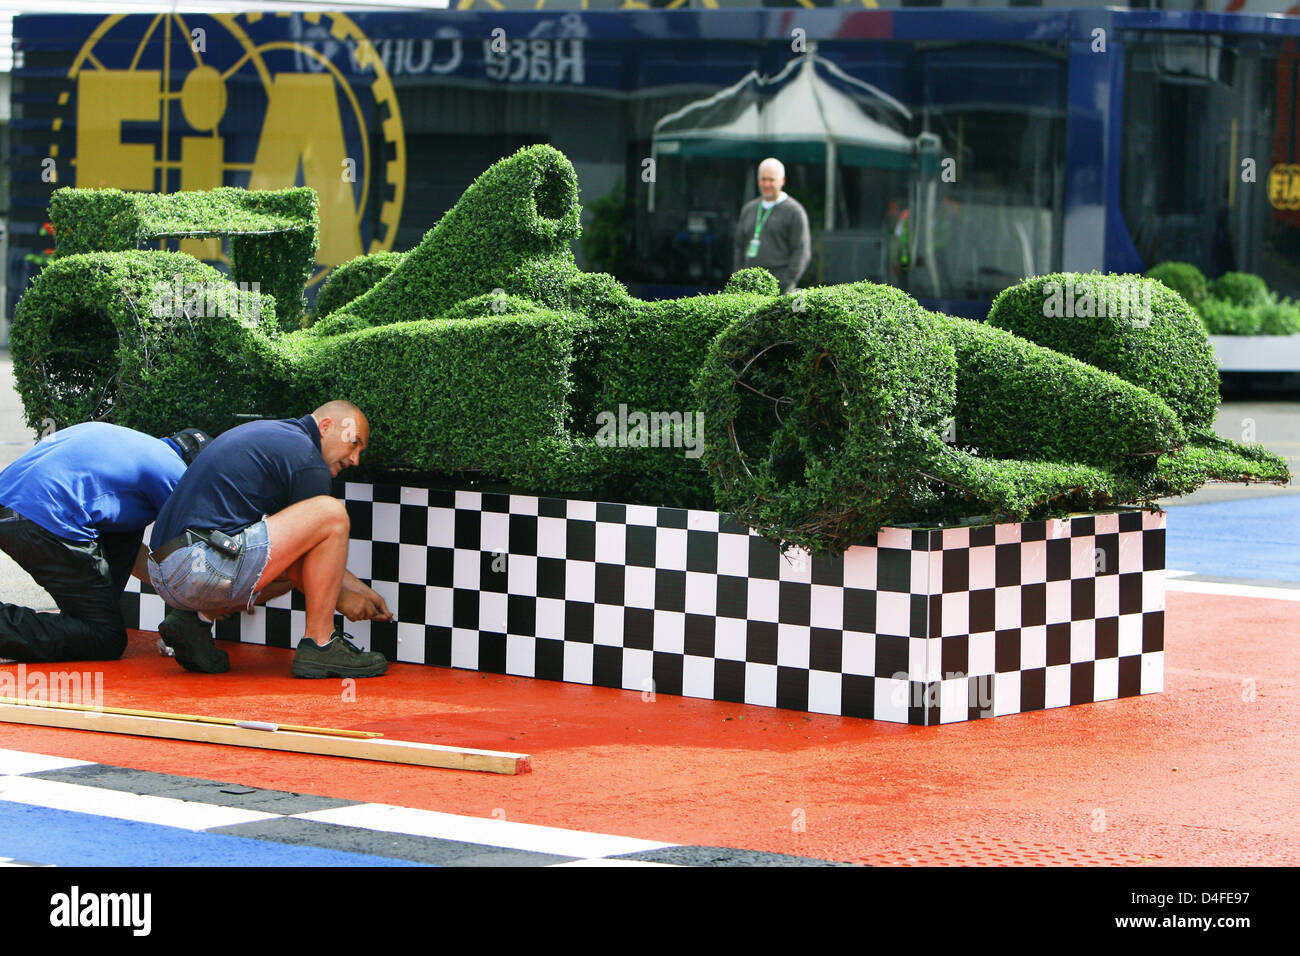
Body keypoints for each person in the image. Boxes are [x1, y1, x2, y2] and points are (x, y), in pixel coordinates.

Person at [146, 400, 393, 678]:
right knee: (332, 512)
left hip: (162, 568)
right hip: (197, 564)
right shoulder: (307, 460)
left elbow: (299, 551)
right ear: (325, 427)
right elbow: (305, 560)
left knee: (286, 573)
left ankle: (195, 620)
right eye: (354, 444)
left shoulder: (278, 438)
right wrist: (344, 599)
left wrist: (360, 589)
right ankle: (321, 645)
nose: (355, 459)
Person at [0, 422, 210, 663]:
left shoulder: (138, 447)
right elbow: (186, 558)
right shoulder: (177, 474)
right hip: (42, 518)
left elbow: (140, 559)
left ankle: (93, 617)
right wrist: (211, 600)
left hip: (13, 507)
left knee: (127, 529)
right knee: (104, 637)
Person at [733, 157, 812, 294]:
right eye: (763, 179)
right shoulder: (749, 209)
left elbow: (801, 252)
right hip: (749, 288)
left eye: (771, 180)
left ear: (782, 181)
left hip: (780, 289)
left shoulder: (794, 211)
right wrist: (739, 277)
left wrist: (783, 283)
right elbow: (739, 247)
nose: (767, 184)